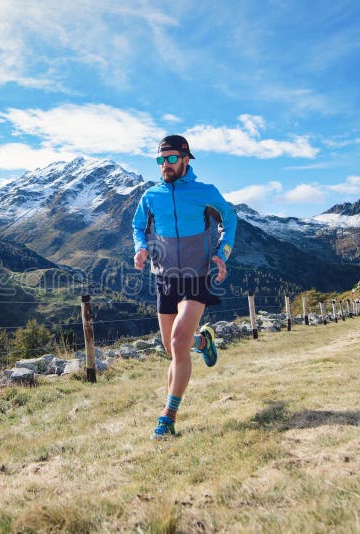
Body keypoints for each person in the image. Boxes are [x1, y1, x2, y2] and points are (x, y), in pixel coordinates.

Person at [132, 134, 237, 439]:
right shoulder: (151, 196)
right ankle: (203, 343)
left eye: (171, 158)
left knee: (178, 341)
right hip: (165, 277)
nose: (165, 164)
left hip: (197, 275)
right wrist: (140, 248)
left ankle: (168, 417)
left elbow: (230, 221)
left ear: (186, 158)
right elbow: (138, 226)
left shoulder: (206, 192)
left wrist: (222, 253)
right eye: (160, 160)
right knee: (172, 348)